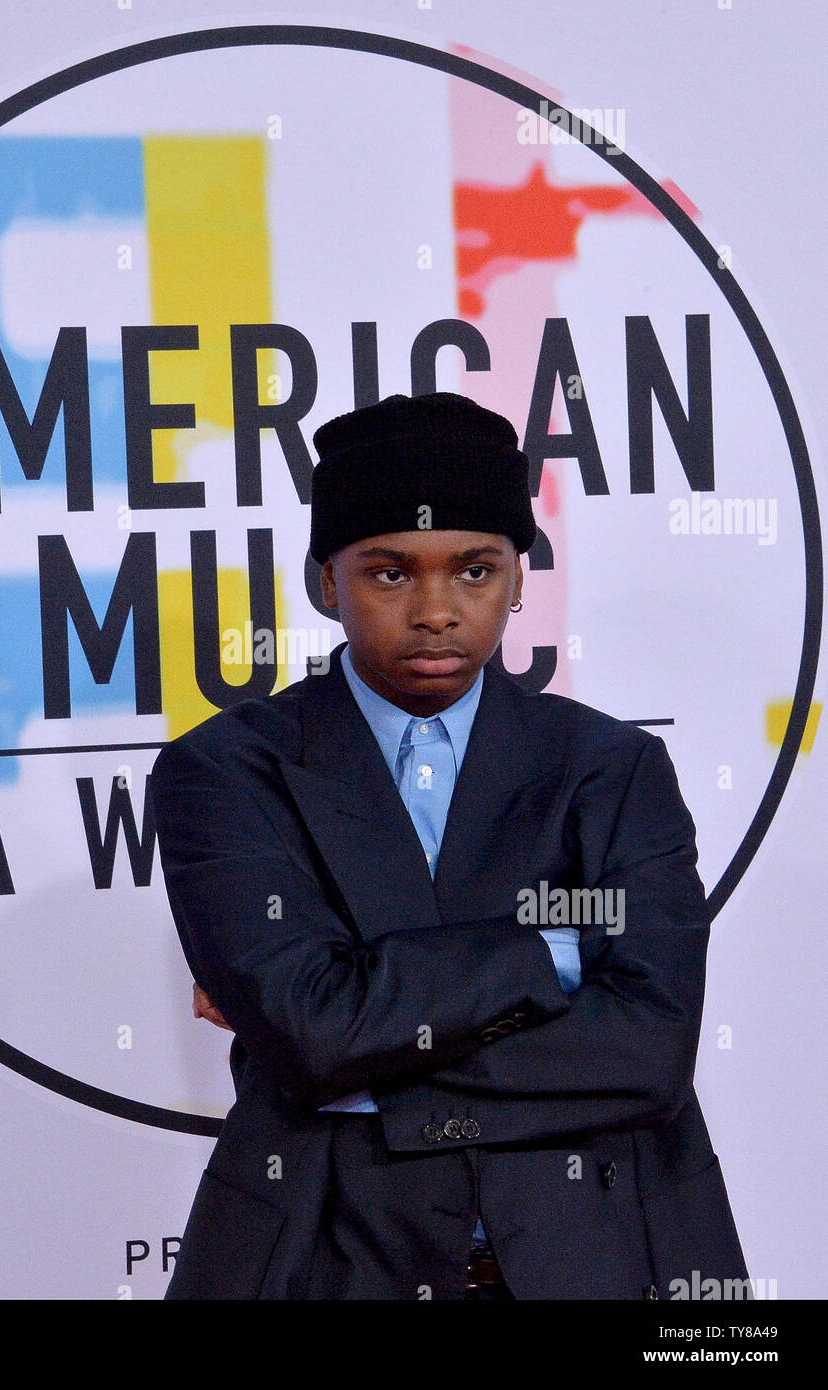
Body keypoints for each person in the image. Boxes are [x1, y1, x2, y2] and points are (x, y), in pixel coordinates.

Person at [148, 391, 749, 1300]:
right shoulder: (227, 770)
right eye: (390, 574)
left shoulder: (614, 767)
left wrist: (366, 1051)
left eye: (475, 571)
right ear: (326, 582)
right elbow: (311, 1032)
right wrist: (554, 954)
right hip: (324, 1261)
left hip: (603, 1258)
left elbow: (651, 1052)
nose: (437, 610)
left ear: (516, 578)